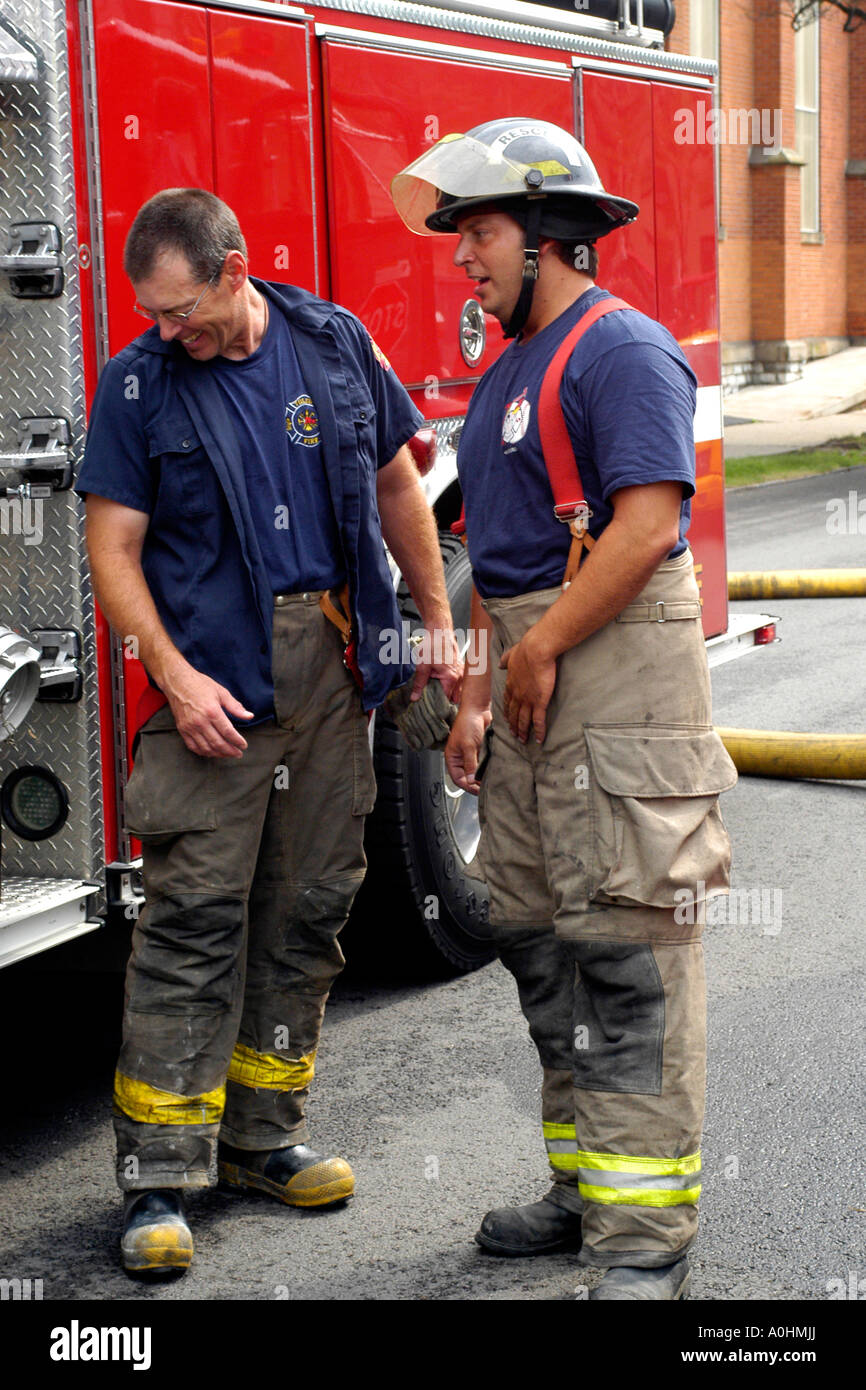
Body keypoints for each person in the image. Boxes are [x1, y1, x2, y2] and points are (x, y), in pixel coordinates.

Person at [76, 188, 460, 1278]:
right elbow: (114, 549)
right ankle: (160, 1174)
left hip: (331, 677)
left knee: (306, 914)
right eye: (153, 313)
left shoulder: (331, 345)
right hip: (215, 689)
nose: (167, 331)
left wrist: (434, 625)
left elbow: (398, 482)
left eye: (183, 309)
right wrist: (174, 675)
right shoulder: (138, 387)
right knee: (193, 923)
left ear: (236, 270)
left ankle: (261, 1140)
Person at [392, 120, 737, 1300]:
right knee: (539, 943)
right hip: (537, 681)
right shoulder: (502, 379)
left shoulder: (622, 353)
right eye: (457, 238)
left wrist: (533, 648)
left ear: (548, 237)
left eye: (477, 232)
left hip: (613, 678)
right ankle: (587, 1187)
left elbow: (644, 526)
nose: (460, 258)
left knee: (628, 950)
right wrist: (479, 692)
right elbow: (499, 554)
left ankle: (643, 1242)